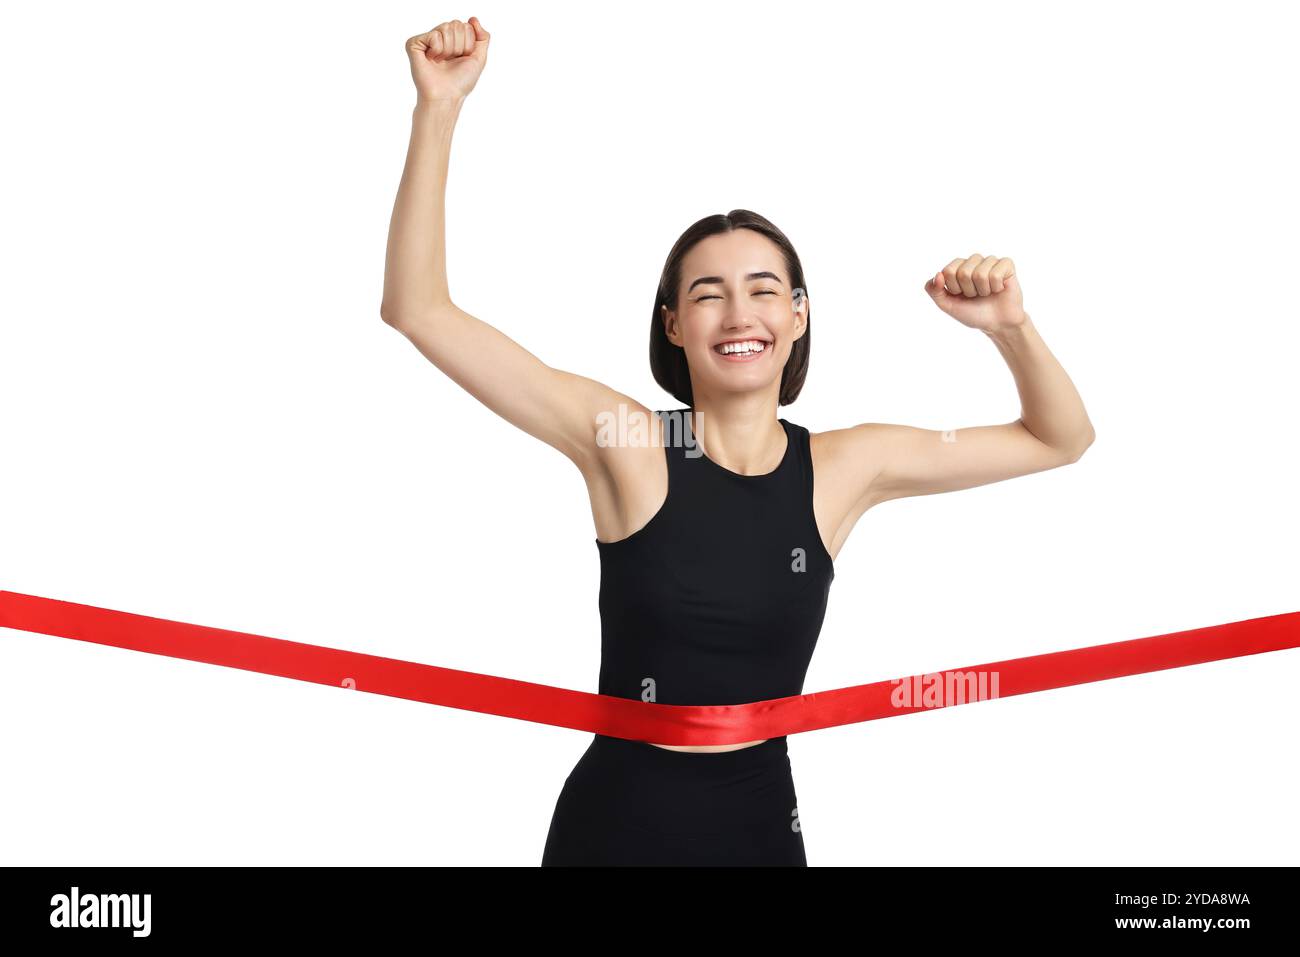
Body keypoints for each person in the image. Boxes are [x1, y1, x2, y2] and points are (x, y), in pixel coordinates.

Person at [380, 18, 1096, 866]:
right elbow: (418, 308)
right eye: (708, 294)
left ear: (797, 316)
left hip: (760, 829)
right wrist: (440, 108)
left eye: (763, 290)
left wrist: (1009, 328)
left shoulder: (844, 468)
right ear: (675, 324)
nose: (739, 314)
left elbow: (1060, 438)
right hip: (616, 829)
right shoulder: (629, 445)